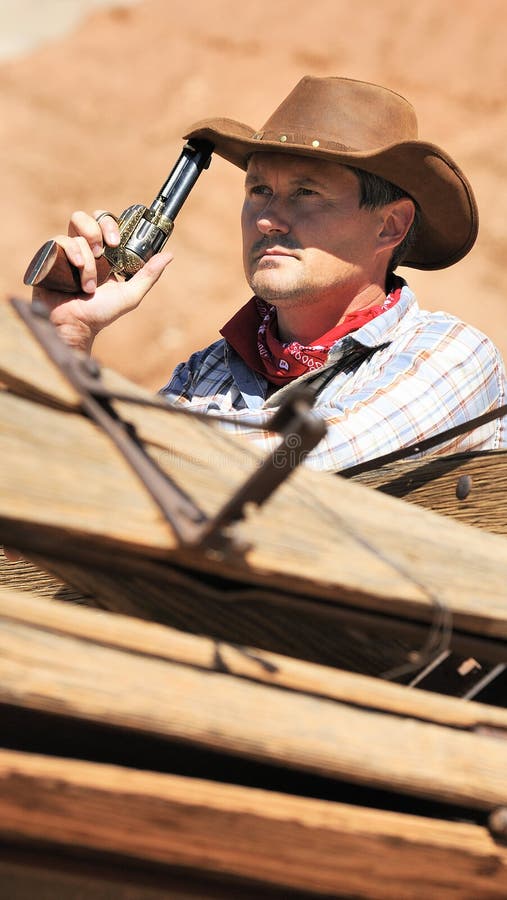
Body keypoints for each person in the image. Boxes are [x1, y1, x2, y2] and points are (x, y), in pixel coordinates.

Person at [31, 75, 507, 472]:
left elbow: (292, 466)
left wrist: (129, 432)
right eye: (258, 189)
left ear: (391, 224)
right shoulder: (208, 371)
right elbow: (65, 503)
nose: (266, 218)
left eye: (305, 193)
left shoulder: (453, 356)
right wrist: (65, 341)